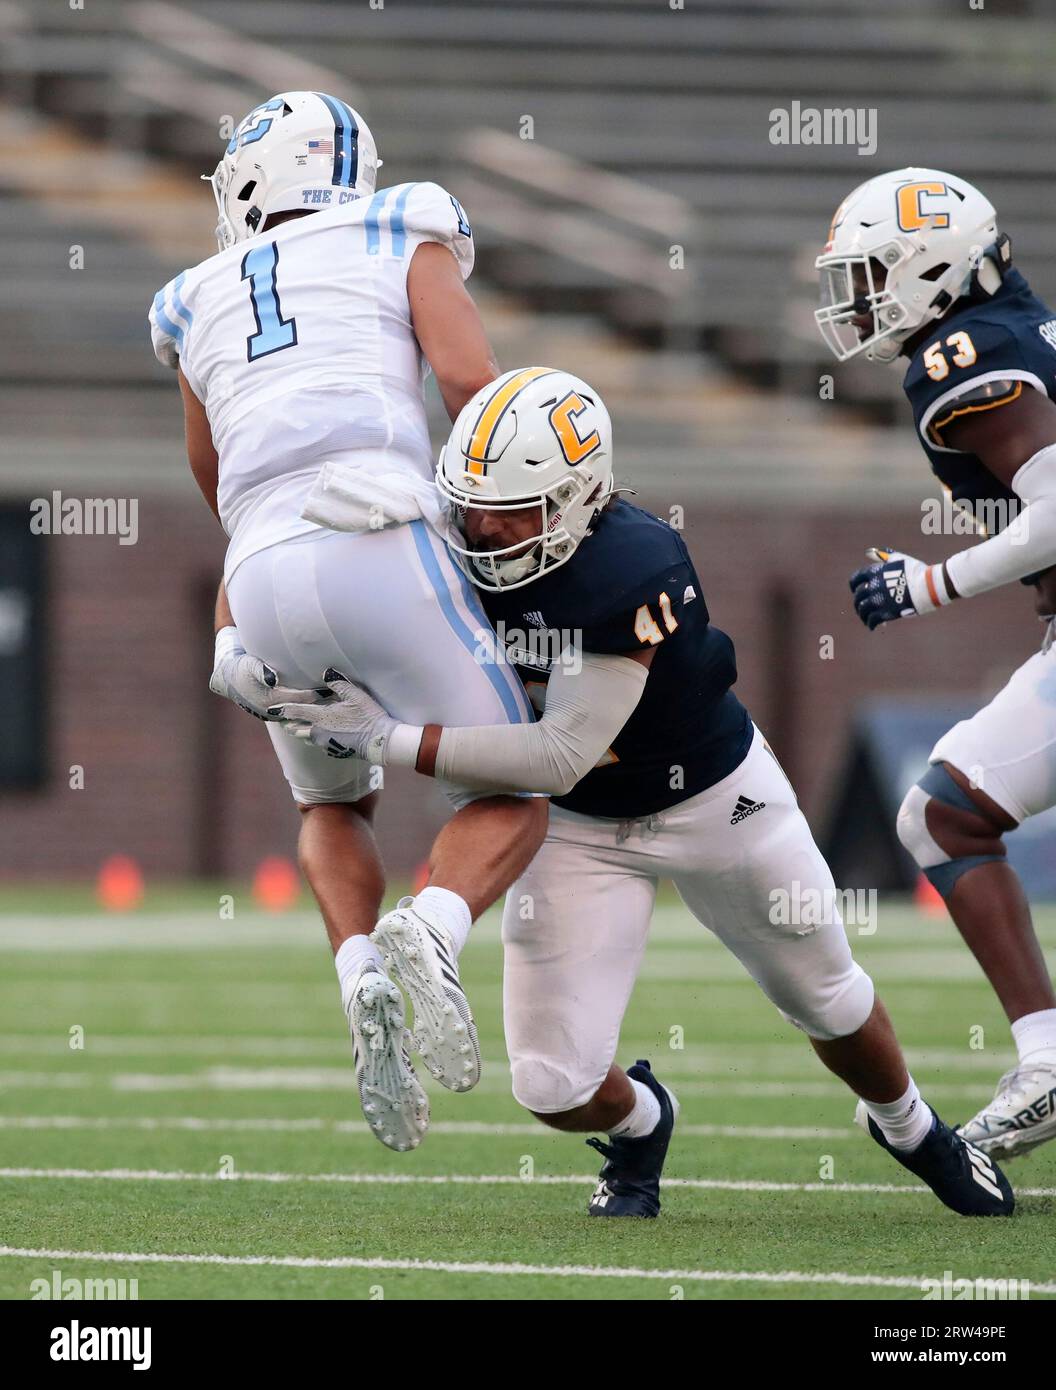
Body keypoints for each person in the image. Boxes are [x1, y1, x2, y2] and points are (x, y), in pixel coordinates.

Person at [264, 367, 1015, 1219]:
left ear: (579, 498)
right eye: (468, 503)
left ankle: (909, 1125)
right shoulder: (438, 528)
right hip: (577, 828)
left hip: (713, 794)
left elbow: (557, 753)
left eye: (514, 507)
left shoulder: (634, 562)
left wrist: (383, 739)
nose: (483, 527)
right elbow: (289, 543)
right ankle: (643, 1124)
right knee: (551, 1084)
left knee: (826, 995)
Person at [148, 92, 547, 1153]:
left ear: (252, 178)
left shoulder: (192, 297)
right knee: (518, 780)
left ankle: (360, 971)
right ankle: (434, 926)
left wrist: (231, 626)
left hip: (263, 576)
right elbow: (472, 385)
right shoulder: (398, 224)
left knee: (336, 803)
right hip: (386, 536)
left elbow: (221, 481)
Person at [816, 167, 1056, 1159]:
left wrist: (931, 585)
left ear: (933, 269)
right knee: (945, 810)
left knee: (943, 813)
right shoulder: (1019, 321)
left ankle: (1049, 1062)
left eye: (876, 275)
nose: (859, 300)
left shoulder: (963, 358)